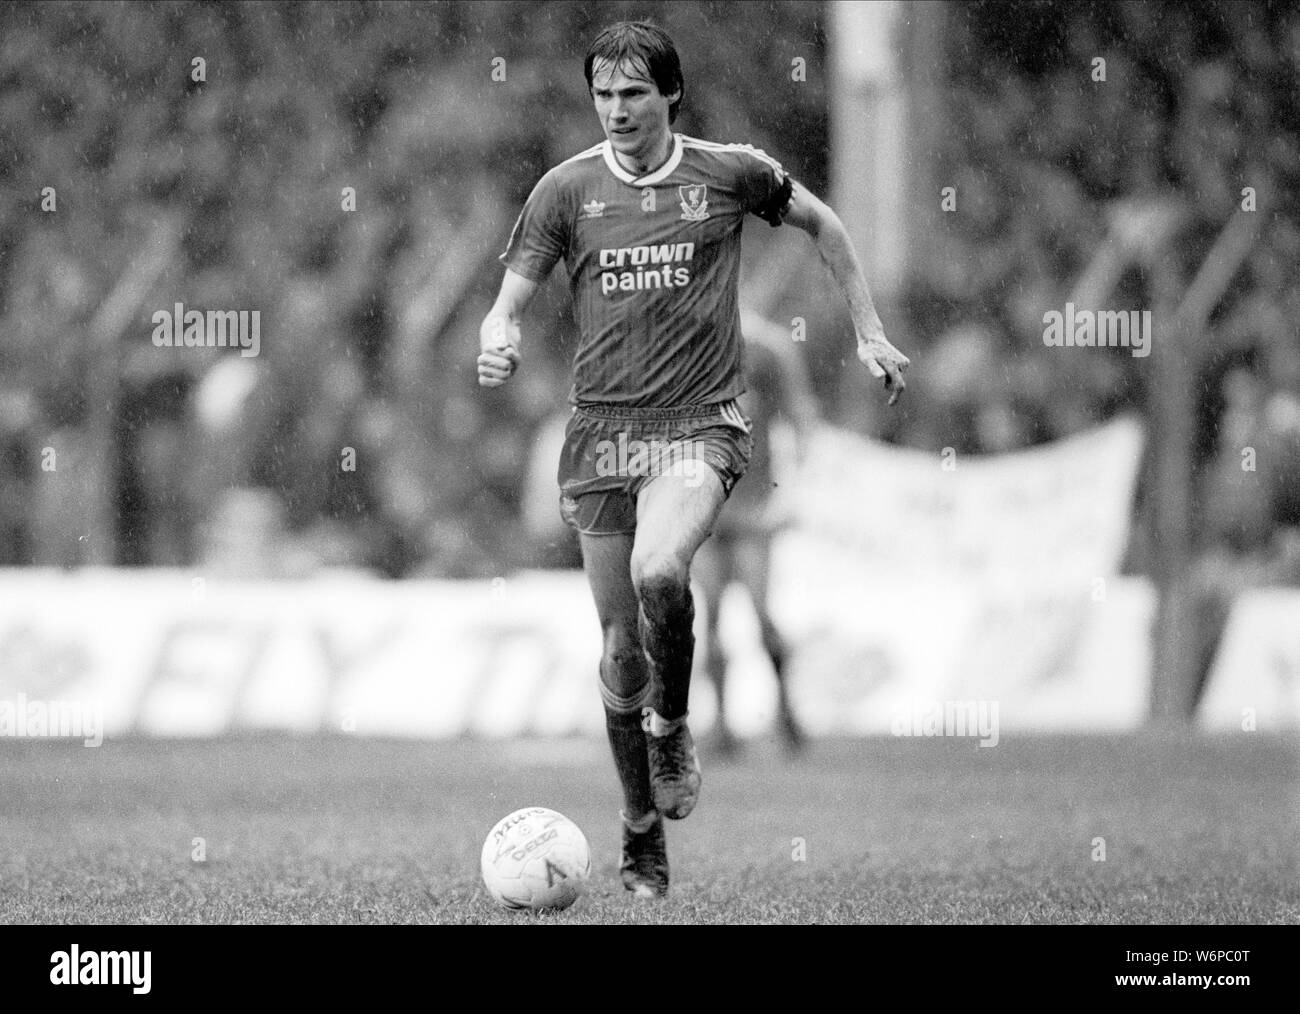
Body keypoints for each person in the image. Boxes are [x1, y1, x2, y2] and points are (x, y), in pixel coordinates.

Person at [477, 21, 910, 899]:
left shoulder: (728, 173)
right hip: (601, 435)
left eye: (634, 93)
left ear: (670, 94)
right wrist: (499, 334)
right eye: (603, 94)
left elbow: (824, 225)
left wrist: (869, 331)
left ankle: (673, 724)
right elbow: (508, 299)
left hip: (697, 425)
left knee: (662, 569)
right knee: (617, 648)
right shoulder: (565, 191)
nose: (617, 110)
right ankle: (640, 826)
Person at [692, 310, 819, 757]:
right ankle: (722, 725)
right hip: (702, 509)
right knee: (707, 617)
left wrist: (793, 492)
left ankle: (786, 713)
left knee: (761, 616)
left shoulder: (766, 348)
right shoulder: (682, 342)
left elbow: (801, 419)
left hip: (752, 509)